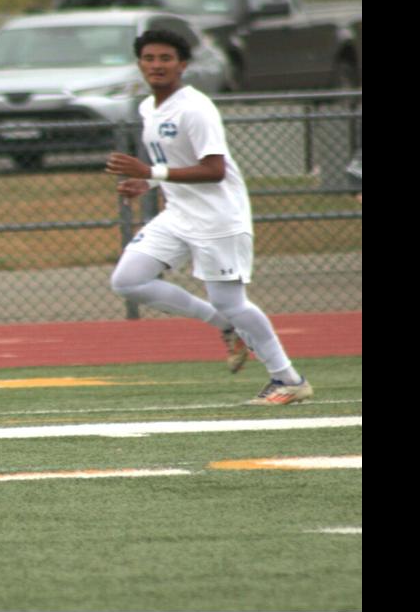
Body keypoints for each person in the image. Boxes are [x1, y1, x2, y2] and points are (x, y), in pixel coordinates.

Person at [104, 30, 312, 405]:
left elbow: (214, 169)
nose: (157, 65)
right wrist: (147, 183)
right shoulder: (148, 108)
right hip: (179, 214)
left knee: (231, 300)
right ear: (139, 64)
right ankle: (226, 327)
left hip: (218, 220)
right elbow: (173, 163)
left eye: (166, 58)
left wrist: (151, 173)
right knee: (128, 280)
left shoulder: (194, 108)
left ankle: (288, 379)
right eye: (149, 58)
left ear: (182, 65)